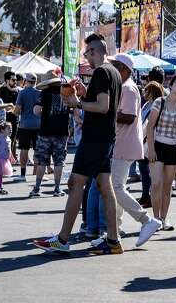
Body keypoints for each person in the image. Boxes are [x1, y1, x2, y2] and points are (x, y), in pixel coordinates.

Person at [34, 33, 123, 255]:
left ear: (94, 51)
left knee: (75, 183)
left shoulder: (102, 71)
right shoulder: (113, 72)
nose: (86, 57)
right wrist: (85, 93)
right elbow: (106, 105)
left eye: (86, 53)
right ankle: (113, 241)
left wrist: (78, 102)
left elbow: (103, 106)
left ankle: (63, 239)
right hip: (105, 137)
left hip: (95, 138)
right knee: (105, 186)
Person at [109, 53, 161, 247]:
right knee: (117, 187)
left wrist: (107, 111)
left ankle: (146, 220)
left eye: (114, 66)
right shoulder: (125, 87)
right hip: (124, 143)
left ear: (123, 69)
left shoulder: (128, 89)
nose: (110, 69)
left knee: (116, 187)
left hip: (125, 143)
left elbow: (129, 116)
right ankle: (115, 229)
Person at [145, 73, 176, 231]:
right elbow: (150, 127)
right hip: (157, 145)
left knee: (167, 187)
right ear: (170, 85)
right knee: (156, 183)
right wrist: (151, 150)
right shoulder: (160, 102)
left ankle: (163, 219)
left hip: (173, 147)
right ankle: (156, 218)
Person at [30, 77, 71, 197]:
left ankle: (37, 188)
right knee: (59, 161)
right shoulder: (68, 93)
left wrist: (46, 114)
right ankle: (57, 189)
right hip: (62, 132)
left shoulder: (45, 92)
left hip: (46, 131)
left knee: (42, 161)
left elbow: (36, 111)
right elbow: (76, 110)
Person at [138, 81, 165, 208]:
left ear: (152, 92)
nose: (144, 92)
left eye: (146, 90)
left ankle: (149, 196)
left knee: (150, 171)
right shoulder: (146, 105)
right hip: (143, 140)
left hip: (152, 141)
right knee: (144, 170)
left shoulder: (157, 105)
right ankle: (145, 195)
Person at [14, 73, 41, 182]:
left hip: (25, 124)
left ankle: (23, 174)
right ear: (36, 81)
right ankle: (36, 173)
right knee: (37, 149)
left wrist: (15, 112)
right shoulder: (40, 93)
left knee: (24, 150)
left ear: (26, 80)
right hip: (38, 124)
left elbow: (17, 110)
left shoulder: (22, 92)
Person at [0, 71, 20, 159]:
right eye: (13, 80)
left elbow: (18, 106)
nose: (15, 82)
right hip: (4, 120)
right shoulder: (2, 90)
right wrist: (11, 108)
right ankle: (2, 160)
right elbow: (1, 106)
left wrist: (13, 108)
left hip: (15, 119)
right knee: (3, 141)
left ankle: (10, 160)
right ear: (7, 80)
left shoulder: (17, 91)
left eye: (16, 80)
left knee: (12, 141)